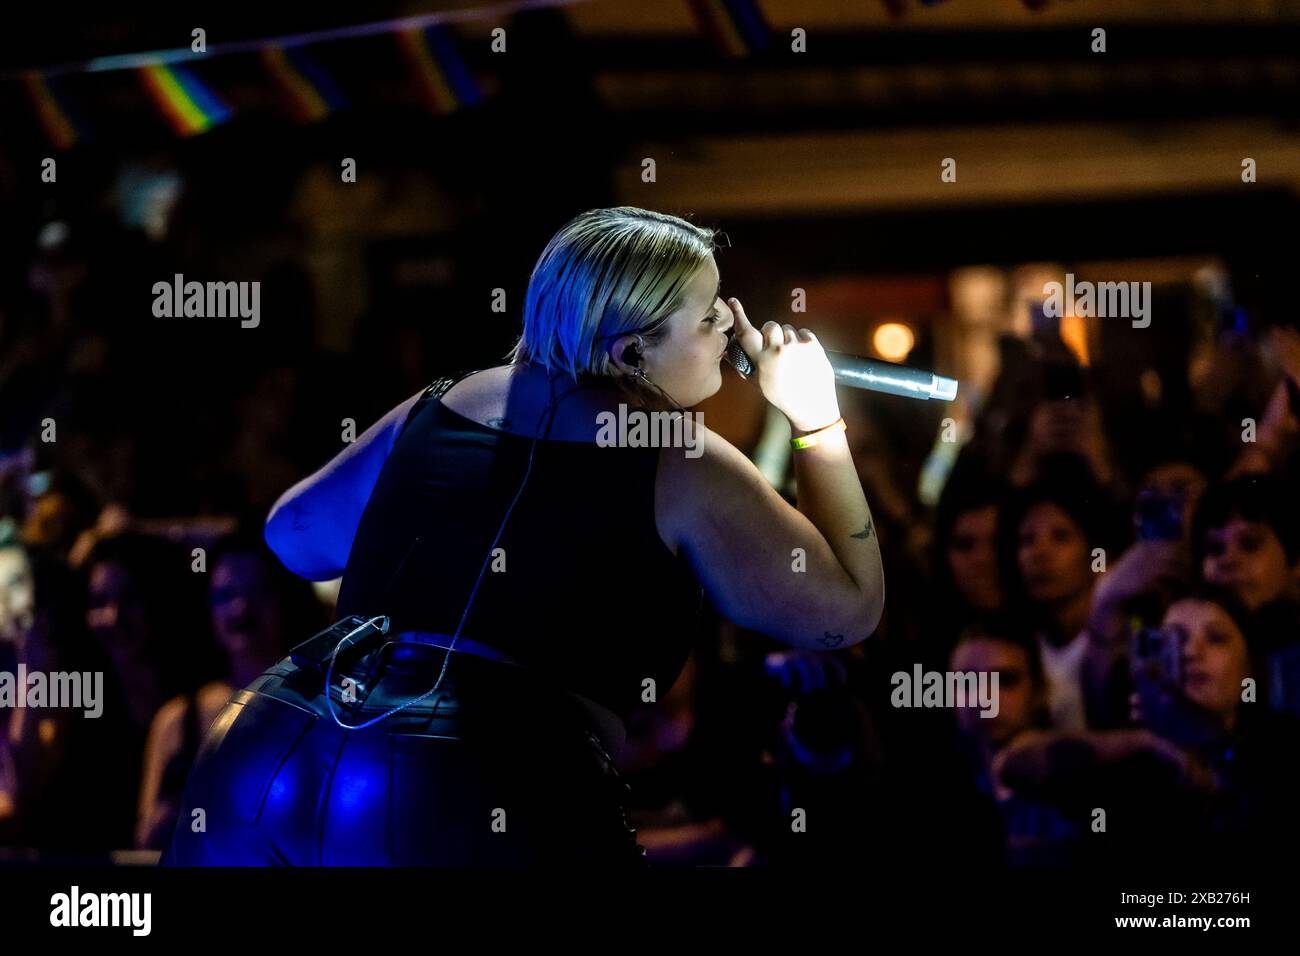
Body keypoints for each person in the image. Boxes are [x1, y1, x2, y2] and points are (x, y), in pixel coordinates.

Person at [161, 206, 885, 866]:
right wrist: (817, 422)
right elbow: (844, 612)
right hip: (466, 780)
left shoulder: (445, 399)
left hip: (268, 746)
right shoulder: (677, 455)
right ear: (633, 354)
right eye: (707, 318)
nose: (732, 323)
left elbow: (292, 536)